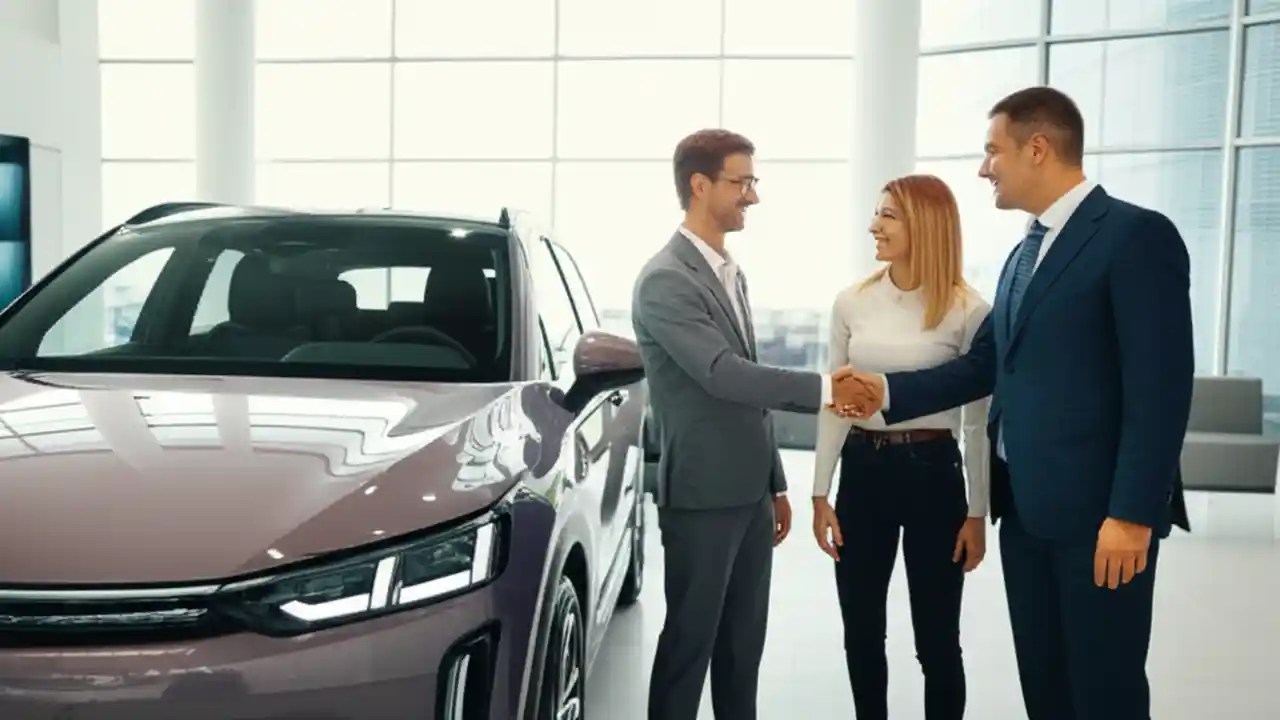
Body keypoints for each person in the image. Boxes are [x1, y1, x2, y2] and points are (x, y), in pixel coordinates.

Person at [836, 87, 1193, 720]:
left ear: (1037, 148)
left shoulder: (1136, 236)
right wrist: (887, 392)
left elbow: (1161, 390)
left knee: (1103, 690)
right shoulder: (1022, 255)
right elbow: (984, 366)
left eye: (992, 151)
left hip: (1100, 521)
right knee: (1046, 688)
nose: (984, 168)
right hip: (1025, 515)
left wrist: (1134, 513)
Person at [631, 128, 865, 720]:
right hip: (703, 496)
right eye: (742, 182)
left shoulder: (729, 271)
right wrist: (822, 390)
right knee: (691, 645)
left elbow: (747, 389)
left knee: (743, 649)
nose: (752, 196)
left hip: (749, 494)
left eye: (753, 182)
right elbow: (721, 373)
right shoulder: (665, 280)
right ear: (699, 185)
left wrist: (775, 482)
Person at [811, 173, 990, 720]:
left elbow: (979, 422)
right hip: (863, 474)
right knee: (861, 631)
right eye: (877, 213)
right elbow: (833, 401)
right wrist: (821, 493)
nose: (874, 226)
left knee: (937, 641)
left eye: (887, 215)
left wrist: (978, 512)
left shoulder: (970, 310)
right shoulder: (851, 302)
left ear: (925, 225)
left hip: (935, 475)